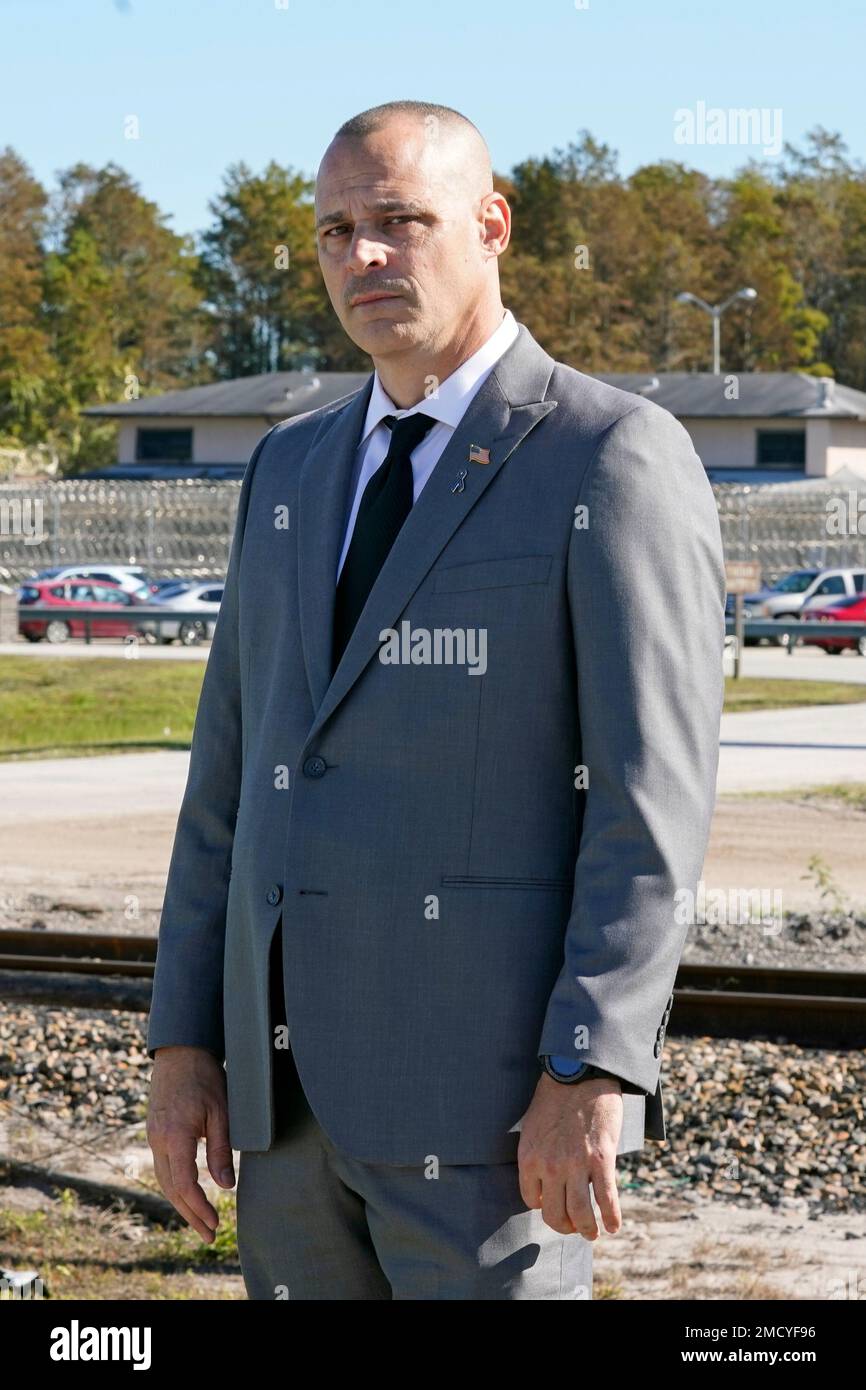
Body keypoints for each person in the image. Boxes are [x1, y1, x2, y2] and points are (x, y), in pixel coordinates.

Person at [146, 99, 725, 1300]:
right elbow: (228, 784)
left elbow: (647, 807)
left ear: (492, 223)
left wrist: (588, 1065)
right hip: (285, 1123)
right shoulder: (287, 468)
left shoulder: (607, 455)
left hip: (493, 1126)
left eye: (398, 221)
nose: (361, 256)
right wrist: (185, 1044)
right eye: (333, 232)